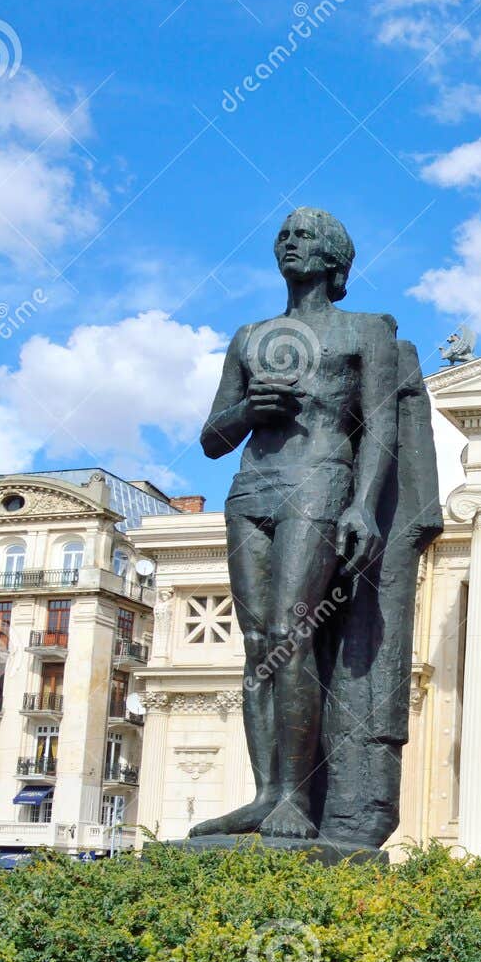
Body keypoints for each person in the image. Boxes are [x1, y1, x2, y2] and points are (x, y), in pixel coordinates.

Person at [191, 207, 399, 842]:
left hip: (320, 478)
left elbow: (382, 427)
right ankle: (265, 794)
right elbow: (210, 438)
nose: (289, 244)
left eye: (304, 236)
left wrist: (363, 504)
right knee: (256, 645)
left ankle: (297, 799)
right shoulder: (250, 336)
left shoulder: (366, 331)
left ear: (334, 257)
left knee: (289, 630)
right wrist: (248, 409)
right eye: (283, 235)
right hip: (252, 487)